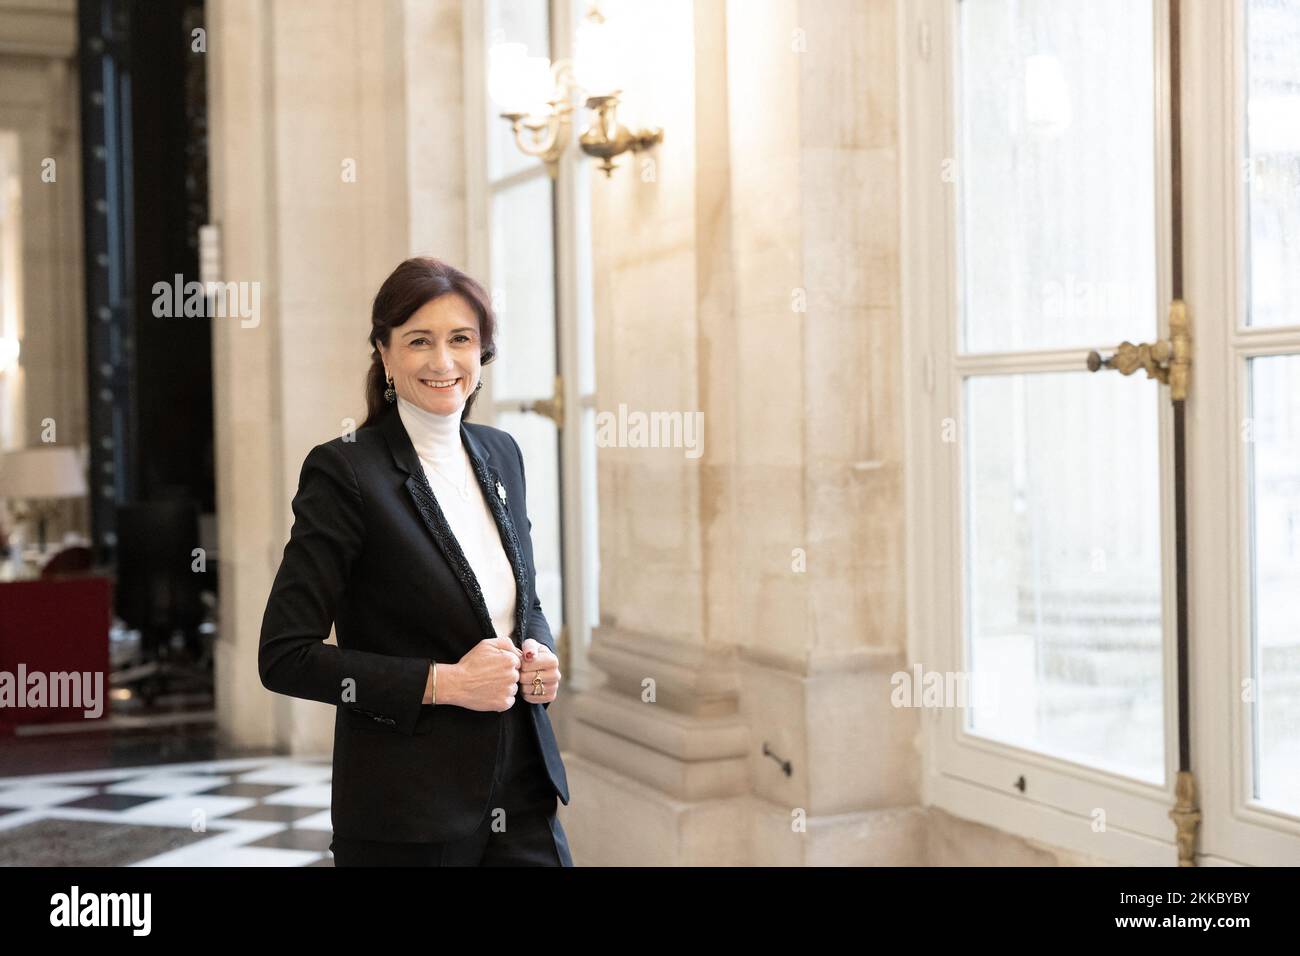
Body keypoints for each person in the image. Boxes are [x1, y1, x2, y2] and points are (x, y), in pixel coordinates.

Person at [258, 256, 573, 866]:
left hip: (525, 793)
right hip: (407, 812)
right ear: (384, 351)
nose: (443, 361)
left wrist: (538, 650)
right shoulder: (345, 470)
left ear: (483, 353)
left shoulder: (501, 452)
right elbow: (285, 656)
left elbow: (521, 599)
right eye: (418, 341)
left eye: (461, 340)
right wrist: (446, 683)